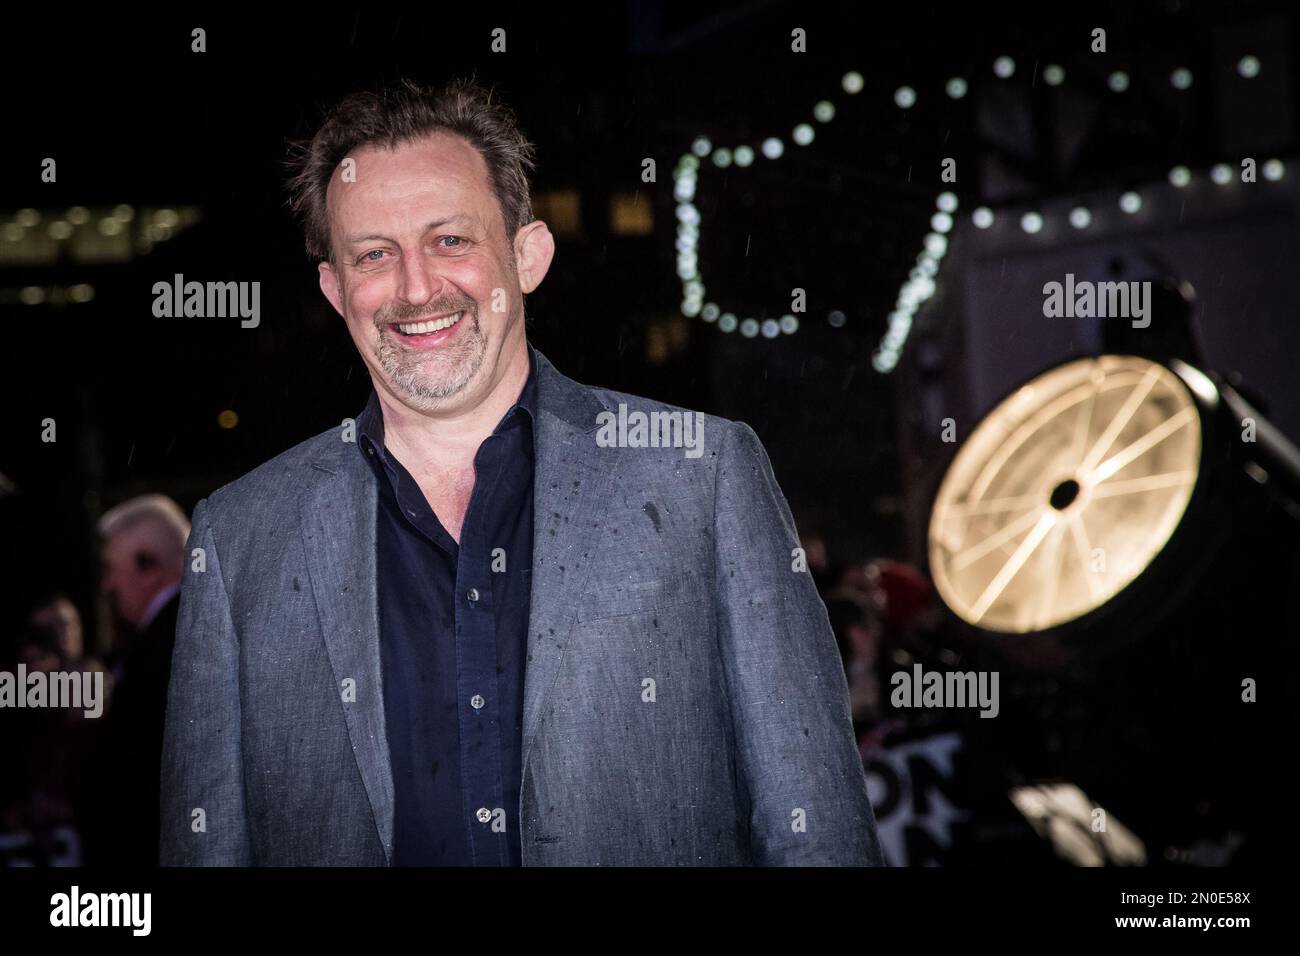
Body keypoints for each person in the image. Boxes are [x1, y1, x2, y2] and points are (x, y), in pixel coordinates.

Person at [160, 76, 883, 866]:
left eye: (451, 240)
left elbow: (819, 839)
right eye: (375, 254)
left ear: (528, 256)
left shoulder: (701, 478)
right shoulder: (238, 539)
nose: (415, 288)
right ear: (336, 290)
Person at [84, 494, 189, 866]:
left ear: (148, 563)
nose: (108, 586)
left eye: (112, 568)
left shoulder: (164, 646)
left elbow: (133, 777)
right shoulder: (202, 625)